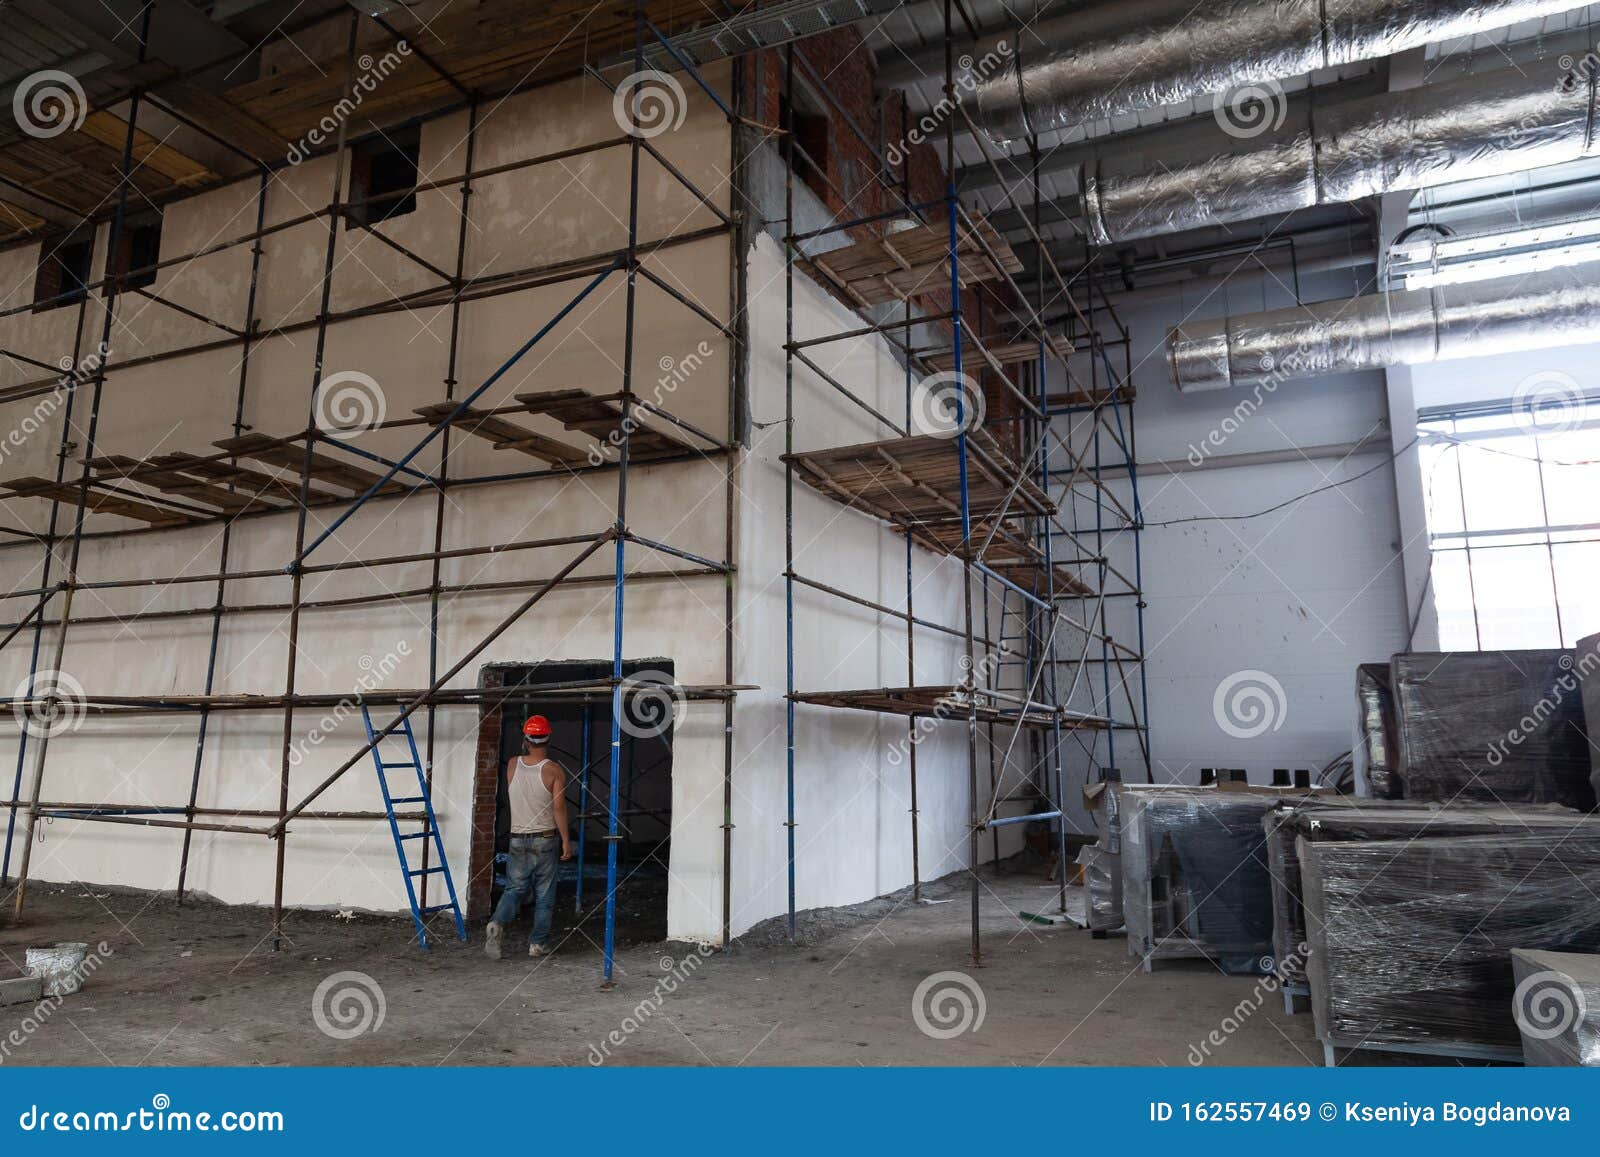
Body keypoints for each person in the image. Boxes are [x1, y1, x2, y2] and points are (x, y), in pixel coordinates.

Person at [485, 714, 572, 959]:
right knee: (545, 894)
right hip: (545, 839)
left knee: (514, 888)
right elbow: (558, 809)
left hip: (517, 838)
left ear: (526, 739)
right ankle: (538, 944)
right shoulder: (554, 771)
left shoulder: (513, 764)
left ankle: (497, 922)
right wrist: (565, 840)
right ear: (549, 739)